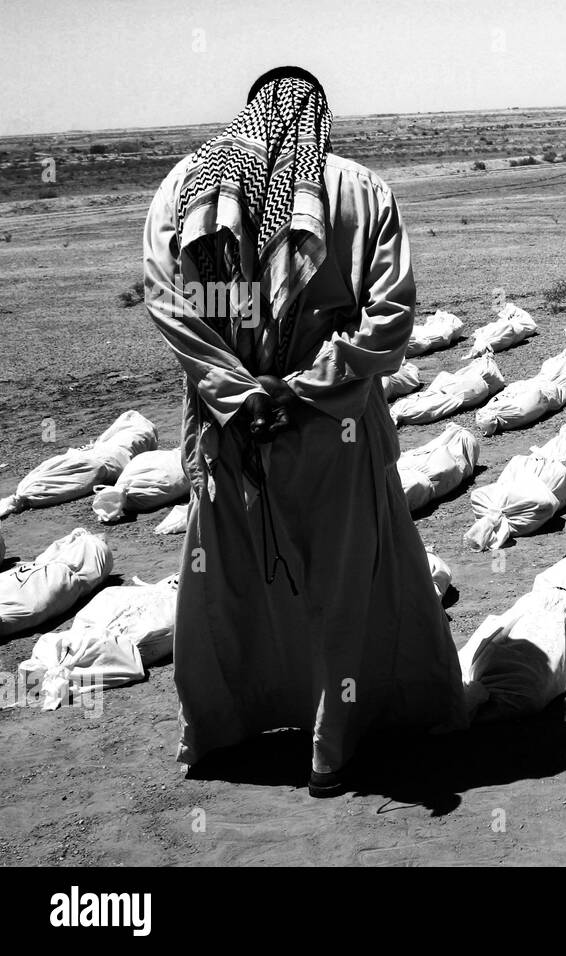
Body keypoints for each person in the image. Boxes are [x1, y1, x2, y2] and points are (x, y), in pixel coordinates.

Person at [142, 66, 465, 797]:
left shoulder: (184, 191)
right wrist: (305, 387)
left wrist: (241, 396)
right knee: (342, 585)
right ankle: (333, 746)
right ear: (320, 117)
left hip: (233, 435)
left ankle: (228, 730)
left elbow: (172, 312)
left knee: (231, 586)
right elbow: (391, 321)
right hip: (332, 432)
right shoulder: (358, 188)